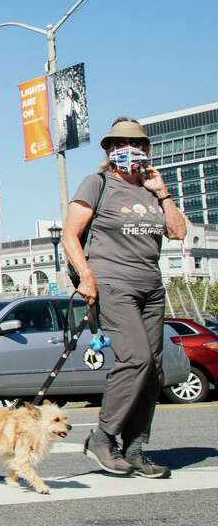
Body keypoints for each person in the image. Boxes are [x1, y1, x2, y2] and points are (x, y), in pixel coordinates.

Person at [64, 118, 186, 478]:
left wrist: (162, 191)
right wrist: (86, 277)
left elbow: (178, 231)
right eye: (117, 144)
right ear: (108, 151)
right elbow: (70, 235)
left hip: (151, 286)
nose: (127, 149)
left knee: (153, 371)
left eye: (135, 144)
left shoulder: (150, 190)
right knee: (136, 358)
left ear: (146, 150)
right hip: (113, 283)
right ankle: (102, 438)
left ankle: (134, 448)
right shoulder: (98, 183)